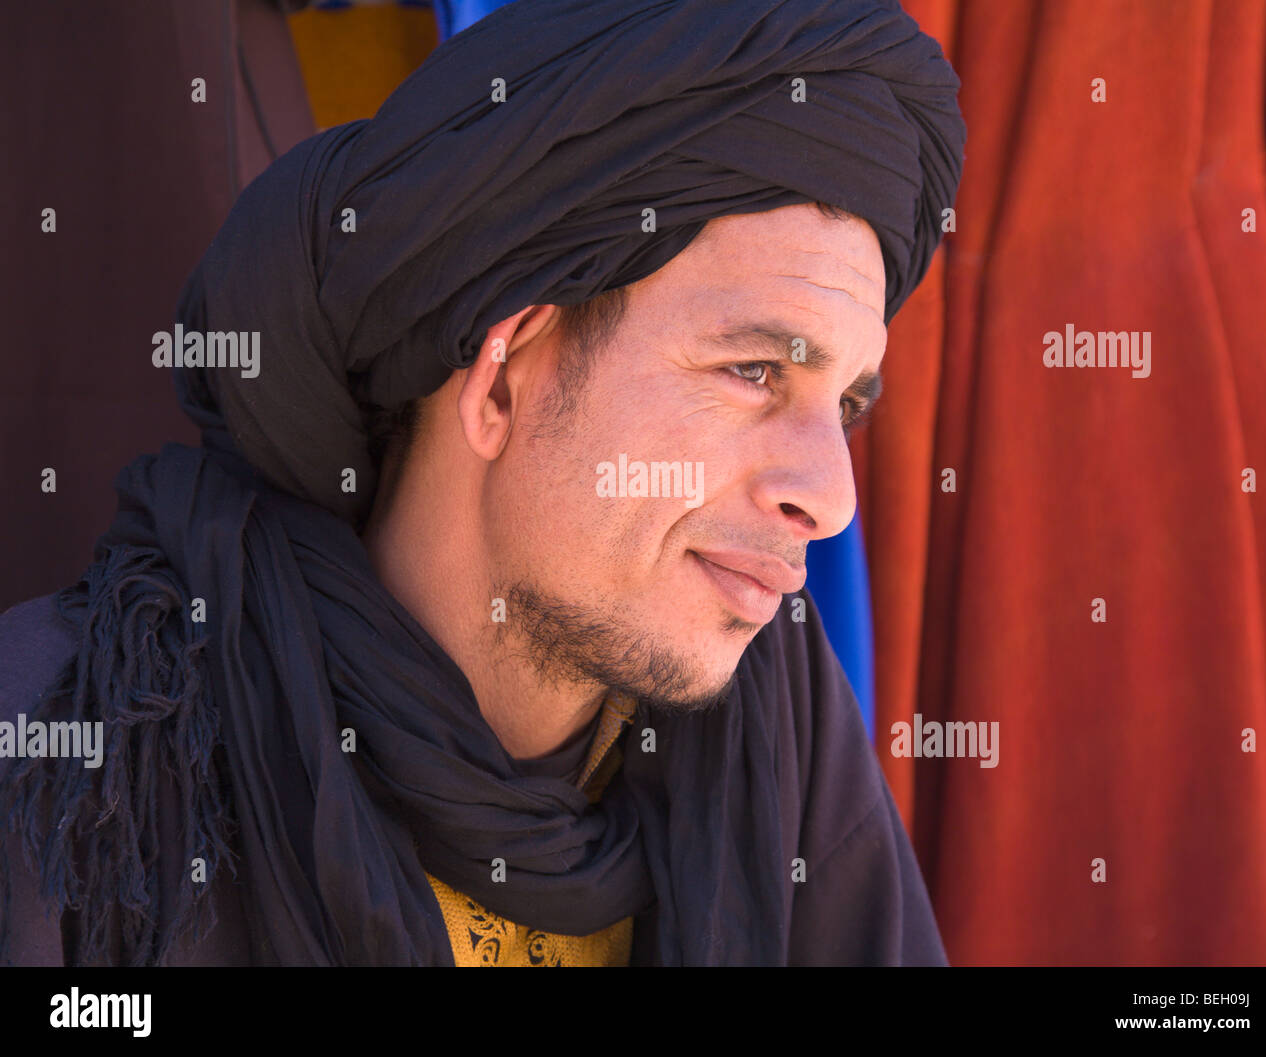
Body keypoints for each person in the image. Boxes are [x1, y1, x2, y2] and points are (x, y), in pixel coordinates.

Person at [0, 0, 965, 966]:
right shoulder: (78, 744)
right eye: (755, 372)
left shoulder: (775, 730)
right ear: (501, 377)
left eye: (844, 404)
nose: (830, 497)